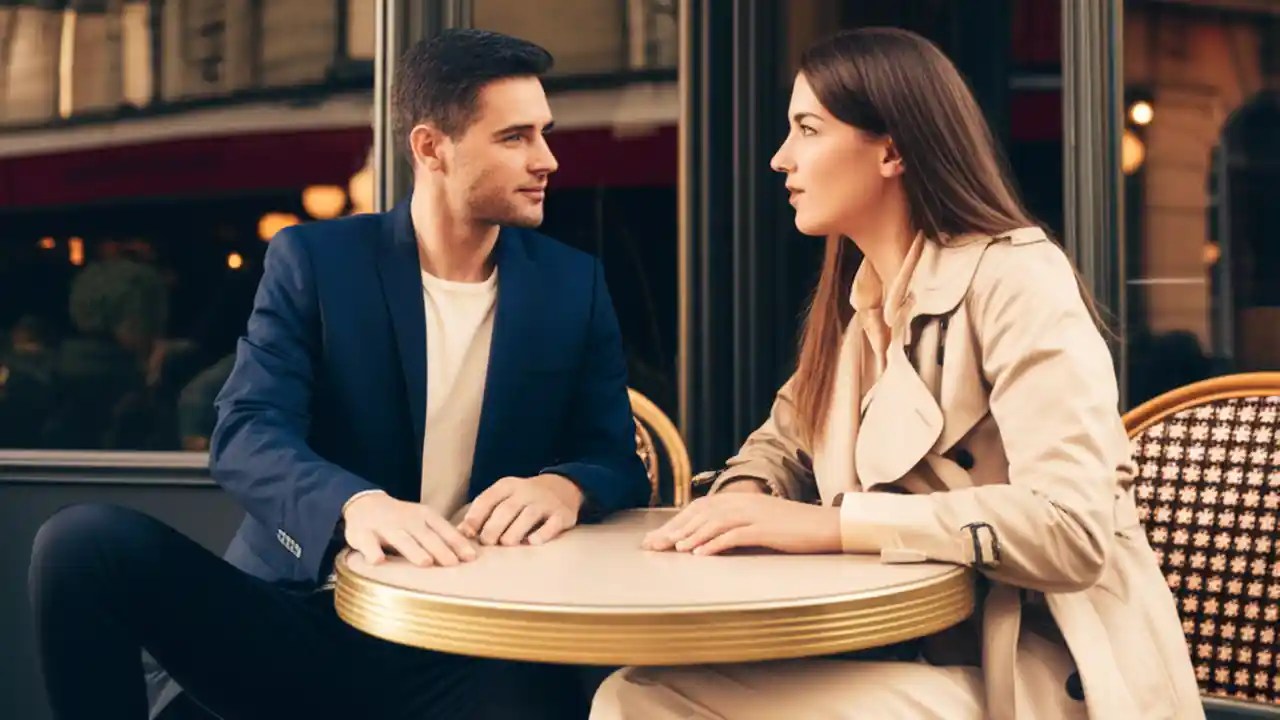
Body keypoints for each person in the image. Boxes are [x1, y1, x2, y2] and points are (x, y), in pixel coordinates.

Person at [29, 29, 650, 720]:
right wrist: (354, 506)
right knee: (80, 545)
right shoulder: (319, 262)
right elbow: (245, 431)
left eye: (545, 133)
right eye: (515, 137)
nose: (548, 159)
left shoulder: (572, 286)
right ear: (430, 148)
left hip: (469, 645)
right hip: (304, 618)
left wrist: (564, 486)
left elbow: (616, 462)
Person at [592, 28, 1202, 720]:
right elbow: (781, 440)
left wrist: (832, 526)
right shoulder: (865, 309)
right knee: (637, 692)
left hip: (1046, 673)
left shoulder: (1017, 278)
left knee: (650, 705)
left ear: (892, 149)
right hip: (910, 649)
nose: (780, 158)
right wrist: (742, 500)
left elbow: (1071, 529)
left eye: (807, 130)